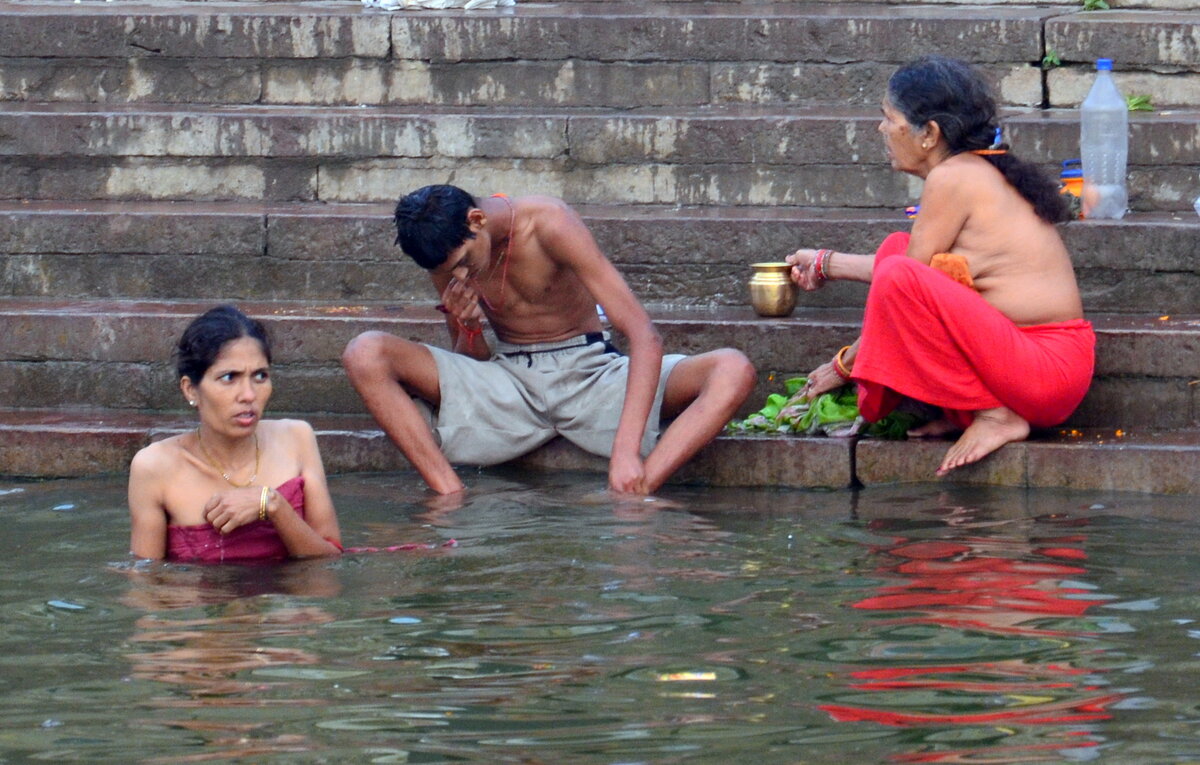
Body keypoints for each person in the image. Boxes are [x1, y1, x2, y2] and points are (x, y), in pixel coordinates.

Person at [786, 55, 1095, 476]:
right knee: (899, 249)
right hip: (1020, 367)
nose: (881, 129)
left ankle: (994, 415)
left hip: (1043, 370)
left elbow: (903, 286)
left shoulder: (953, 177)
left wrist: (844, 365)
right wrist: (826, 264)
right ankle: (967, 409)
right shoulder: (972, 168)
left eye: (888, 118)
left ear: (929, 133)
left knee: (900, 269)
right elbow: (910, 271)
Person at [342, 185, 756, 496]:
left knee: (732, 369)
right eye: (452, 271)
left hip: (591, 376)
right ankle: (450, 493)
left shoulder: (549, 223)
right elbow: (474, 360)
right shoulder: (444, 254)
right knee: (365, 352)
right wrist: (466, 327)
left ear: (477, 221)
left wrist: (626, 452)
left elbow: (644, 336)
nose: (462, 276)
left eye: (465, 263)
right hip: (509, 384)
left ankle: (634, 491)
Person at [128, 305, 342, 561]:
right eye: (229, 377)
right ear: (190, 390)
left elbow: (330, 562)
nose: (249, 395)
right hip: (200, 600)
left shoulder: (297, 438)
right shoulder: (155, 467)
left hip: (290, 599)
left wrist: (272, 505)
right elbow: (146, 583)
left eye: (260, 376)